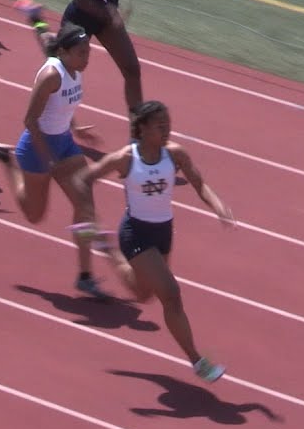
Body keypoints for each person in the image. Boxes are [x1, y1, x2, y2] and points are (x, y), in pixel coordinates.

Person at [72, 101, 234, 383]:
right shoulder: (126, 158)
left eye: (168, 123)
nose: (166, 128)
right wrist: (87, 213)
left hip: (163, 233)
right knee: (171, 293)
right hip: (135, 233)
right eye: (159, 125)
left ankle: (104, 246)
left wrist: (218, 205)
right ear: (143, 129)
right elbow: (84, 179)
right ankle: (198, 361)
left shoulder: (175, 154)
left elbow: (199, 184)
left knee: (142, 294)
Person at [0, 22, 110, 299]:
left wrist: (75, 128)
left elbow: (60, 104)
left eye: (88, 52)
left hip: (64, 144)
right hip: (38, 148)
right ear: (63, 52)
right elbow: (30, 120)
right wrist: (49, 161)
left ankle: (85, 276)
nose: (86, 58)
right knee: (35, 215)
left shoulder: (74, 70)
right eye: (81, 53)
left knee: (85, 204)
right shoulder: (51, 74)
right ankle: (8, 161)